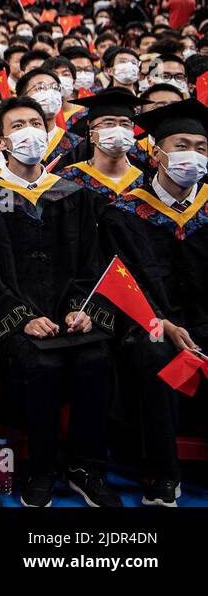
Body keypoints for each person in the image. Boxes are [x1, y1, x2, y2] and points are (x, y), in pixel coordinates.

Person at [0, 97, 120, 507]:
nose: (30, 131)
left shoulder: (72, 195)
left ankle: (87, 467)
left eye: (36, 122)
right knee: (43, 364)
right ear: (0, 140)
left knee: (97, 359)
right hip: (14, 322)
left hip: (69, 318)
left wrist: (80, 307)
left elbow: (92, 262)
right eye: (19, 126)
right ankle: (42, 466)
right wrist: (23, 319)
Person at [98, 99, 208, 506]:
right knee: (154, 351)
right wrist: (160, 318)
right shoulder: (125, 211)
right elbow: (124, 281)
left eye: (201, 147)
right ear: (157, 151)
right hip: (148, 322)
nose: (192, 155)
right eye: (182, 145)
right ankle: (162, 474)